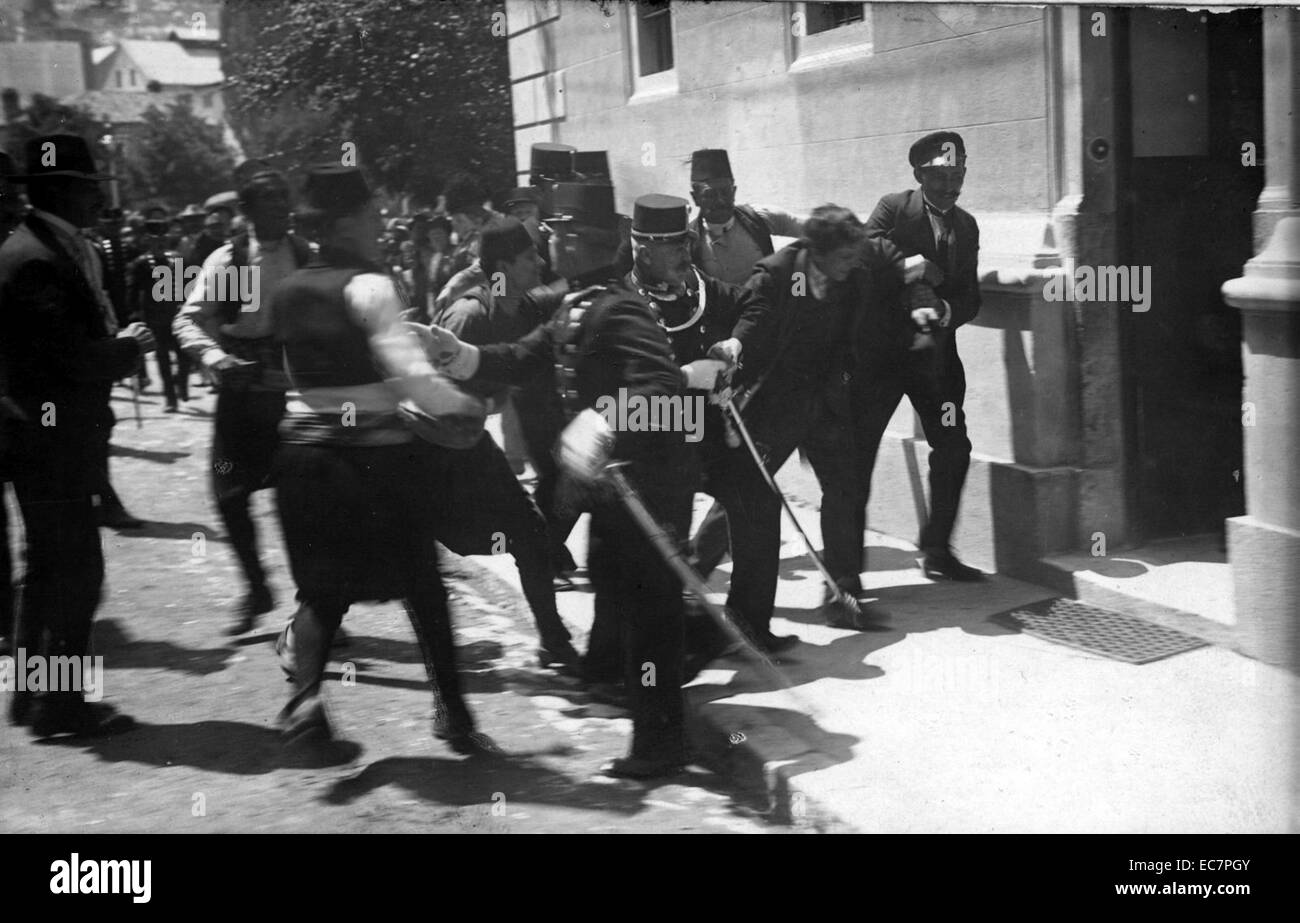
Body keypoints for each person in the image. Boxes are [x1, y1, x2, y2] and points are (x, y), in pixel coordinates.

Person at [422, 184, 729, 778]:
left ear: (586, 244)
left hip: (651, 485)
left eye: (560, 234)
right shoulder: (577, 304)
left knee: (650, 613)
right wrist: (459, 354)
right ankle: (657, 713)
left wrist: (605, 418)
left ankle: (660, 744)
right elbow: (522, 355)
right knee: (629, 599)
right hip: (616, 485)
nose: (549, 242)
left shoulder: (619, 309)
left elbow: (662, 390)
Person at [268, 164, 489, 748]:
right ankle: (454, 711)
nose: (378, 224)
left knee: (322, 589)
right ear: (344, 223)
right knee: (423, 585)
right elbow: (408, 373)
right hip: (372, 460)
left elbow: (291, 373)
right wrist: (461, 403)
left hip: (300, 456)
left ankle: (304, 703)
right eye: (369, 215)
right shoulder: (369, 286)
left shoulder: (287, 289)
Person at [580, 193, 773, 683]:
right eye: (671, 247)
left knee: (756, 500)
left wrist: (735, 341)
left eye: (686, 243)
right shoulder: (620, 305)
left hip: (705, 428)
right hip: (651, 436)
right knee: (649, 554)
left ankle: (747, 624)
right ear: (642, 249)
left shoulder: (702, 289)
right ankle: (612, 666)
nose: (685, 253)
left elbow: (755, 300)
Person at [0, 134, 157, 736]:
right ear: (60, 190)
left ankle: (32, 699)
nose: (96, 202)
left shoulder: (40, 247)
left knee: (45, 568)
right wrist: (124, 351)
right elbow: (63, 358)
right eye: (88, 190)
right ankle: (58, 706)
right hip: (51, 439)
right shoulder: (36, 259)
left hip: (47, 437)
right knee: (74, 572)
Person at [708, 205, 917, 647]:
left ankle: (843, 592)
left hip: (824, 402)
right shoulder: (778, 274)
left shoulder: (854, 273)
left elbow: (889, 269)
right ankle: (693, 568)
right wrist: (736, 345)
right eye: (844, 257)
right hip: (774, 402)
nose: (853, 263)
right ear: (817, 252)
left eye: (855, 255)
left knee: (845, 488)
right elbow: (753, 318)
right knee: (744, 494)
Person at [429, 217, 581, 672]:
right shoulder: (469, 316)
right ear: (501, 266)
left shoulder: (524, 307)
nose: (540, 261)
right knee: (387, 558)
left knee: (530, 536)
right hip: (434, 452)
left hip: (472, 444)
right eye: (529, 256)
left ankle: (553, 640)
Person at [174, 160, 313, 634]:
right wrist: (217, 360)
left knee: (300, 502)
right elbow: (187, 320)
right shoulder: (231, 262)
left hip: (294, 401)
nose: (280, 208)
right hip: (242, 397)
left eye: (283, 199)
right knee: (230, 494)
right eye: (268, 201)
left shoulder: (303, 254)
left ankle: (315, 606)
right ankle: (256, 588)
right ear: (250, 211)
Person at [857, 131, 984, 582]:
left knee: (953, 447)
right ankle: (845, 574)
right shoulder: (894, 208)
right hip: (883, 360)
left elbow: (971, 295)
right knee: (859, 454)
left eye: (958, 174)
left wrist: (946, 310)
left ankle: (937, 550)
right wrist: (906, 266)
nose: (951, 186)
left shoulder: (967, 226)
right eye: (940, 176)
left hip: (937, 365)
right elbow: (859, 252)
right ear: (919, 175)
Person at [128, 206, 190, 412]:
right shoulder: (141, 263)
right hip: (154, 317)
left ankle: (181, 382)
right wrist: (133, 313)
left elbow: (187, 287)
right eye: (154, 239)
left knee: (184, 357)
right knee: (162, 358)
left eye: (162, 239)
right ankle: (170, 398)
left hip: (177, 315)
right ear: (147, 240)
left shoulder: (177, 260)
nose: (159, 243)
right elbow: (133, 291)